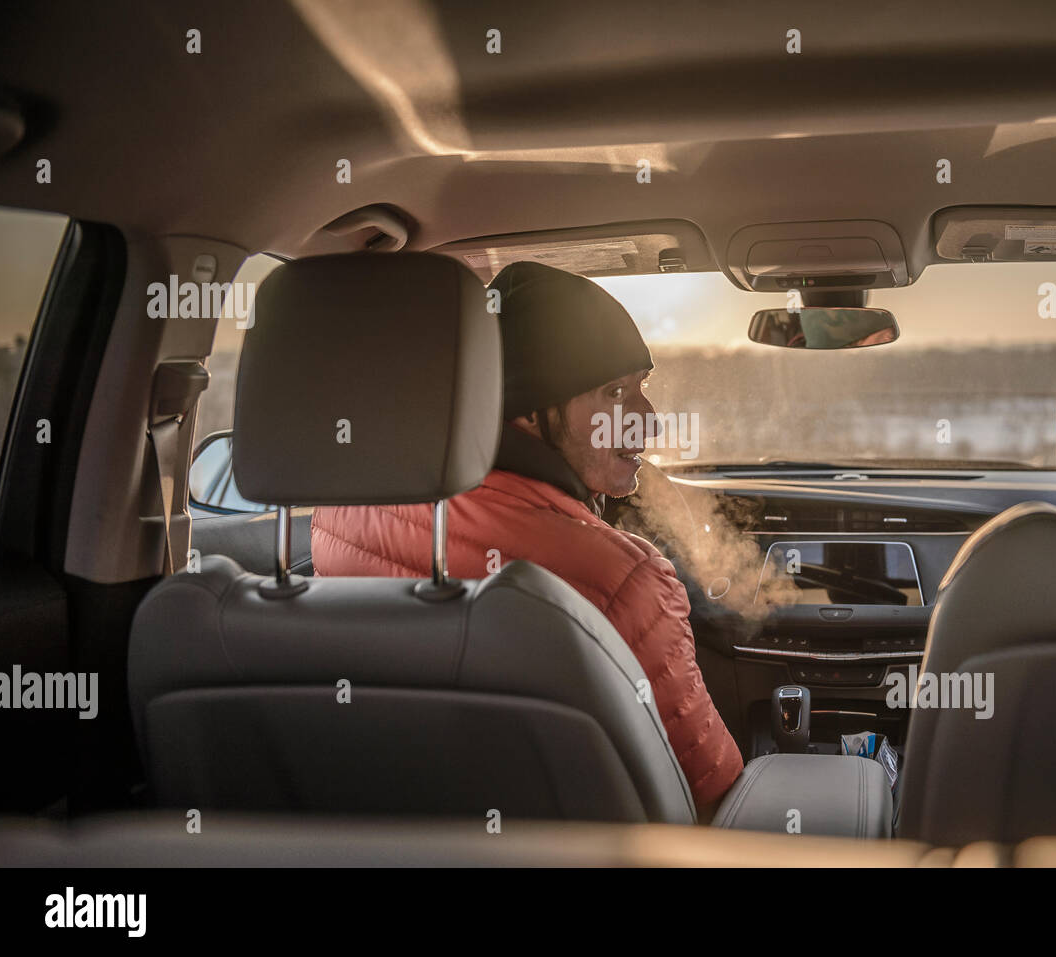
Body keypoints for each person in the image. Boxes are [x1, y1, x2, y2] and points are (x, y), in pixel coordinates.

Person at [310, 260, 744, 814]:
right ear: (529, 415)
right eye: (614, 393)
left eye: (642, 388)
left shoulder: (338, 519)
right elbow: (712, 795)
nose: (648, 421)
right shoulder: (624, 583)